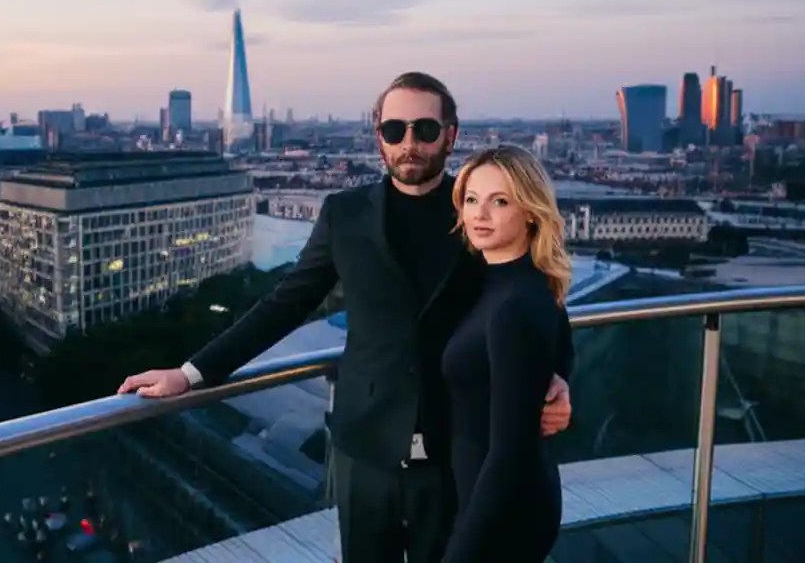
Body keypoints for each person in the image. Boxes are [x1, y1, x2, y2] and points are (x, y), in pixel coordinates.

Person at [118, 72, 574, 563]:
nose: (409, 144)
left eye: (424, 129)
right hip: (365, 454)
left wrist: (556, 378)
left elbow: (530, 297)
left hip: (451, 456)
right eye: (395, 130)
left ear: (450, 135)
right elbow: (286, 303)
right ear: (378, 134)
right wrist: (190, 373)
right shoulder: (345, 214)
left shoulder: (475, 212)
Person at [442, 144, 569, 562]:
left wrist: (461, 552)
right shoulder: (508, 280)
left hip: (503, 512)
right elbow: (561, 349)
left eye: (499, 202)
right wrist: (559, 381)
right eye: (471, 200)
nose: (479, 214)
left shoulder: (513, 303)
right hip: (492, 498)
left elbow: (508, 453)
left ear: (530, 211)